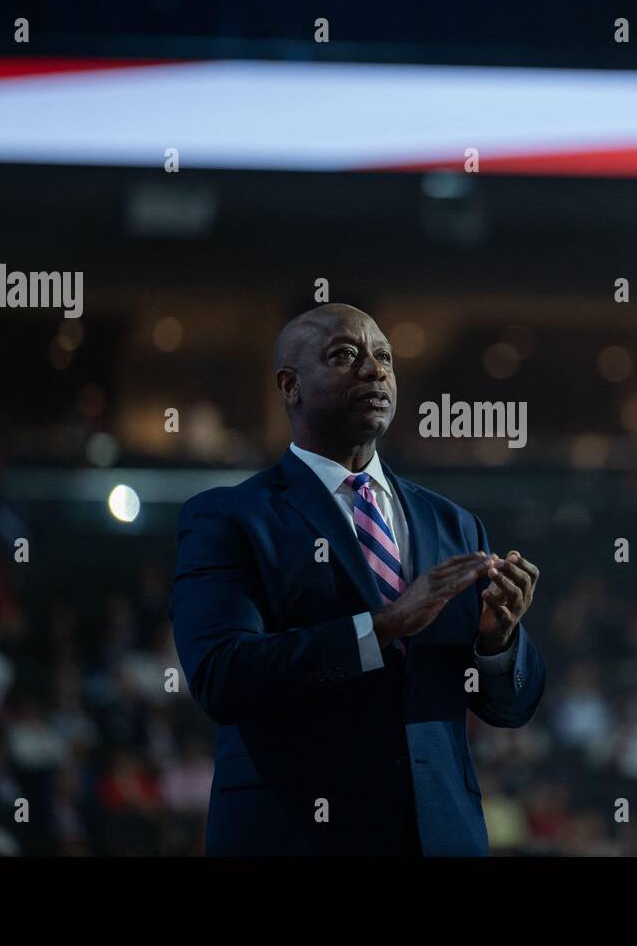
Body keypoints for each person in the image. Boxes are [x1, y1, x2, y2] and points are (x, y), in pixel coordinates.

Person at [171, 303, 546, 855]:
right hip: (295, 834)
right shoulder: (229, 518)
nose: (374, 370)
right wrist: (385, 625)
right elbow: (224, 676)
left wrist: (498, 641)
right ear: (290, 385)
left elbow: (510, 708)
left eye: (384, 357)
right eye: (345, 356)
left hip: (439, 836)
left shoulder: (454, 523)